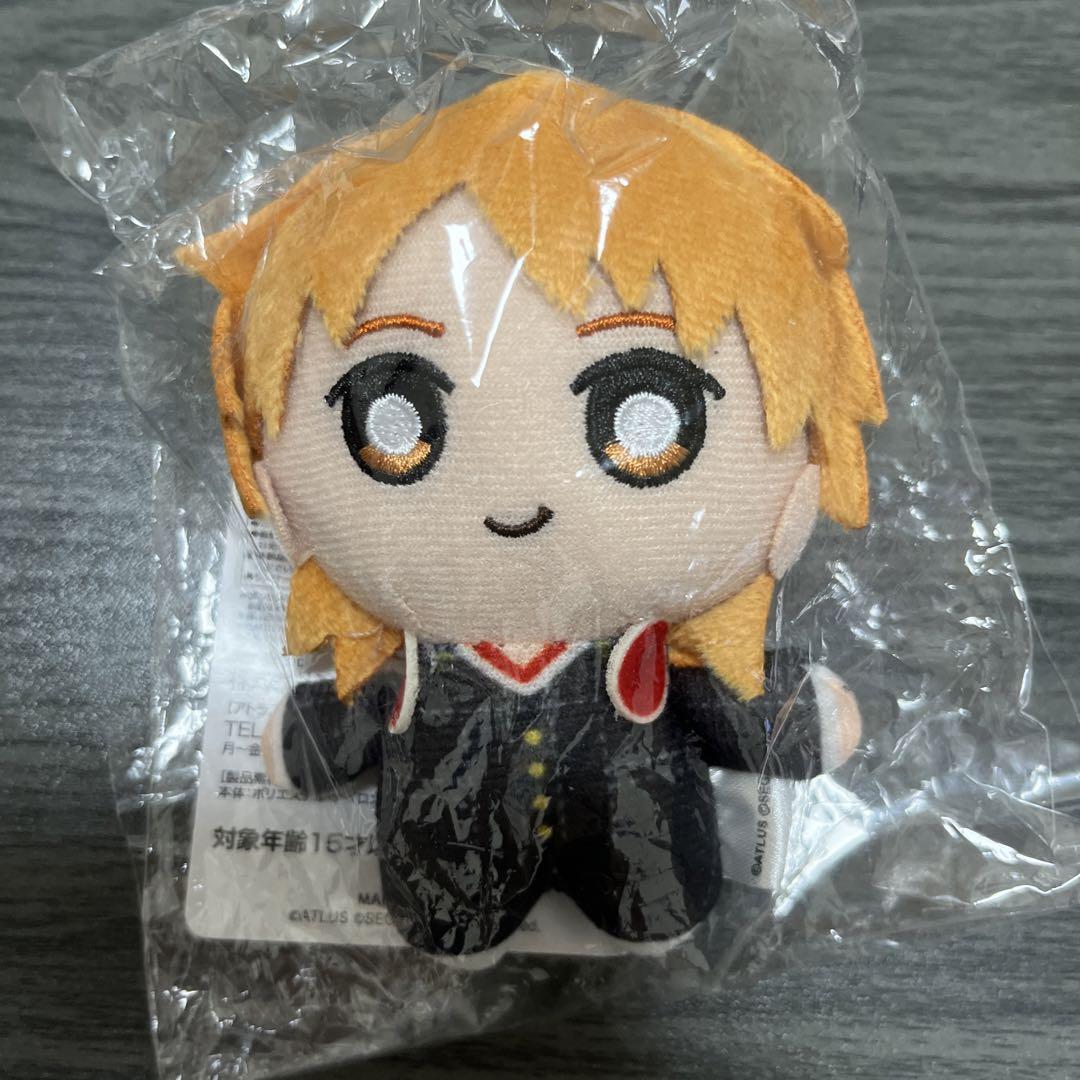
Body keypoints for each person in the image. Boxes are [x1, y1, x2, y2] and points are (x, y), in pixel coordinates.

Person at [180, 70, 886, 955]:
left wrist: (787, 716)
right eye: (394, 415)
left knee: (656, 894)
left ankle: (641, 909)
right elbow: (362, 712)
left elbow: (715, 696)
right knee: (450, 911)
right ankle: (467, 919)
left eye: (643, 412)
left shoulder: (647, 651)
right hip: (446, 851)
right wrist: (314, 734)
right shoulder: (419, 659)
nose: (518, 497)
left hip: (644, 831)